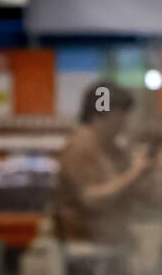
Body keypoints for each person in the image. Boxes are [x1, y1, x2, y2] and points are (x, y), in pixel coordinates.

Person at [54, 82, 152, 244]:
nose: (124, 123)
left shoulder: (110, 147)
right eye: (120, 116)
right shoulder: (80, 146)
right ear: (100, 115)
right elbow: (91, 199)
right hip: (83, 247)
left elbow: (131, 191)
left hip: (111, 243)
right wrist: (134, 172)